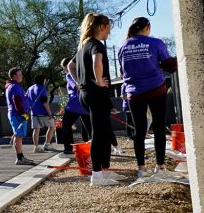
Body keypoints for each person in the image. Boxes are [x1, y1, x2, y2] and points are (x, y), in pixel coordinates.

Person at [118, 16, 178, 180]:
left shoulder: (123, 46)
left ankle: (141, 169)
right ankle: (160, 167)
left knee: (140, 130)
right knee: (159, 128)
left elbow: (123, 73)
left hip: (134, 93)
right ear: (147, 27)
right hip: (156, 90)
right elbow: (169, 66)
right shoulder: (155, 43)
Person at [75, 12, 123, 186]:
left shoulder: (82, 46)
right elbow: (97, 62)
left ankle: (104, 171)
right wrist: (98, 80)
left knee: (102, 133)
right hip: (95, 94)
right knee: (98, 135)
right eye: (108, 29)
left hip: (86, 94)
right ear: (101, 27)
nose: (108, 33)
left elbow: (70, 65)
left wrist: (79, 82)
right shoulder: (96, 44)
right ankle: (96, 175)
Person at [3, 67, 36, 165]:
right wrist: (23, 114)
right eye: (20, 74)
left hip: (17, 114)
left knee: (19, 136)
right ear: (14, 76)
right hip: (17, 114)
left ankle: (21, 156)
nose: (22, 76)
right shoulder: (14, 87)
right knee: (18, 136)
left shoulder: (13, 86)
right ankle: (19, 158)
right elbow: (16, 100)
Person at [59, 58, 90, 155]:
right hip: (86, 104)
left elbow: (77, 85)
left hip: (75, 105)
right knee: (88, 128)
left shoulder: (70, 75)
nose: (65, 70)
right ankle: (90, 148)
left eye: (65, 68)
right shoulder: (83, 73)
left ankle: (68, 148)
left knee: (65, 125)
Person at [27, 77, 55, 151]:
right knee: (52, 127)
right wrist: (49, 112)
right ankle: (47, 144)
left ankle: (36, 146)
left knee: (36, 129)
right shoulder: (42, 88)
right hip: (43, 112)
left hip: (34, 112)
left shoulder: (30, 88)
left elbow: (26, 99)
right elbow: (44, 102)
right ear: (43, 81)